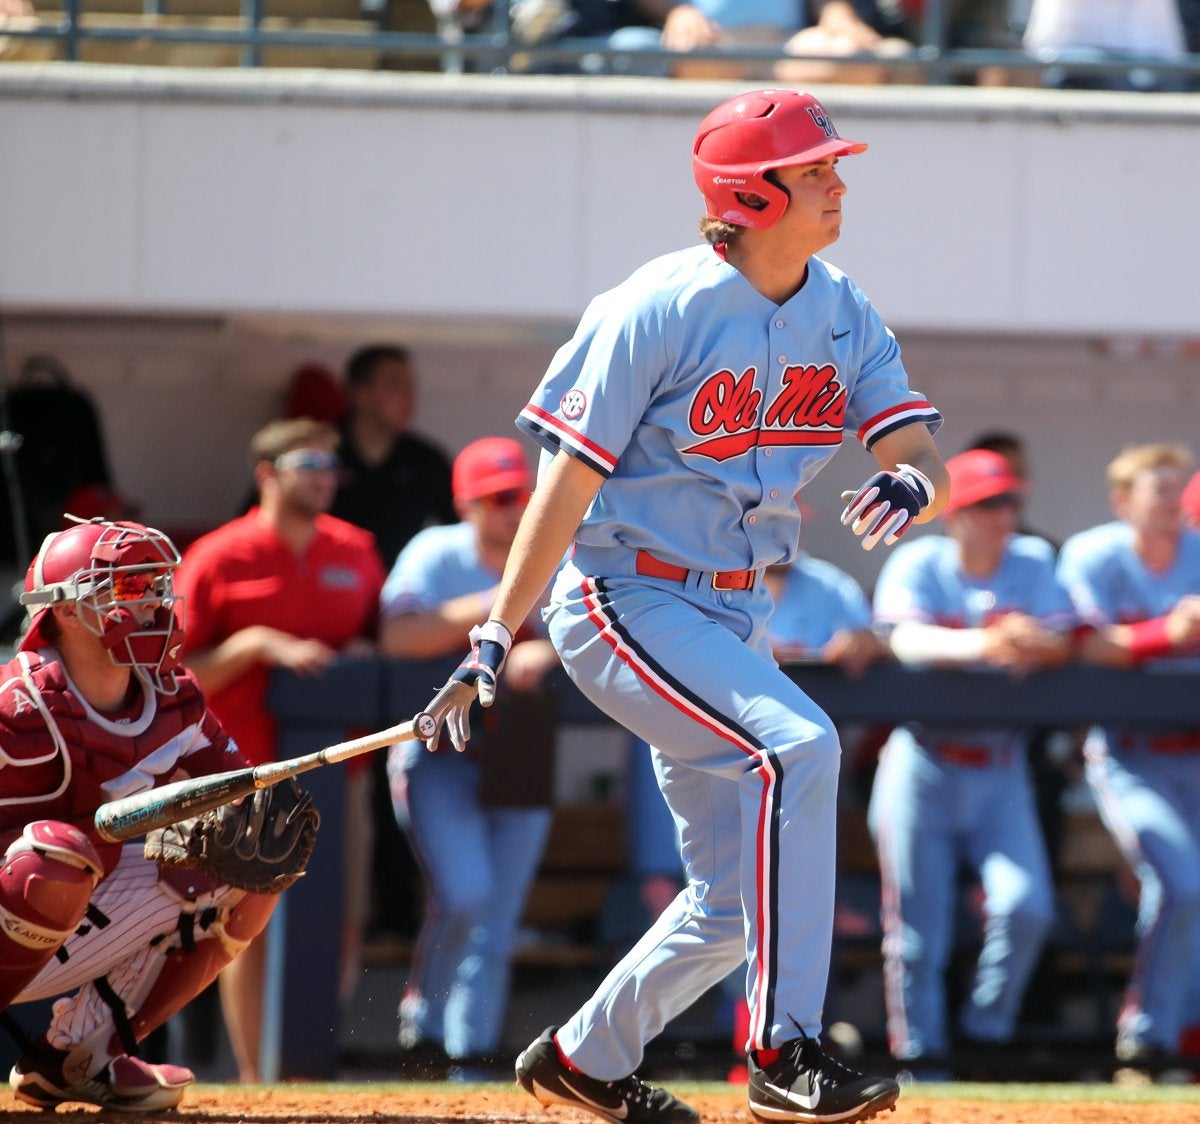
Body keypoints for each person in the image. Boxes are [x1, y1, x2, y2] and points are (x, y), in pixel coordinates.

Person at [419, 88, 948, 1124]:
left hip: (734, 614)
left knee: (727, 905)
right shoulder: (652, 306)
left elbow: (911, 439)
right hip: (627, 595)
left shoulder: (842, 305)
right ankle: (786, 1045)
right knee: (798, 746)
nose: (838, 181)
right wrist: (495, 627)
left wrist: (913, 478)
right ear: (751, 191)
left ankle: (584, 1052)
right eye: (815, 169)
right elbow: (563, 483)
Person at [0, 517, 278, 1111]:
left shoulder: (173, 693)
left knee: (251, 854)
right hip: (19, 895)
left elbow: (236, 803)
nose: (154, 600)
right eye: (130, 587)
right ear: (69, 610)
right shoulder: (18, 708)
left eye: (157, 583)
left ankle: (77, 1059)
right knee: (51, 858)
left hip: (71, 907)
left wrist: (237, 815)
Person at [174, 417, 385, 1082]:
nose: (325, 473)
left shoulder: (356, 549)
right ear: (267, 474)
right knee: (242, 929)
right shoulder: (217, 555)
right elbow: (173, 679)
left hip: (339, 773)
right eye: (308, 461)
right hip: (241, 775)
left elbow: (388, 642)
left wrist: (364, 655)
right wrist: (254, 645)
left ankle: (308, 1067)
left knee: (341, 923)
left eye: (331, 462)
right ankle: (258, 1082)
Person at [867, 448, 1073, 1078]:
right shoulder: (919, 560)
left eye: (1009, 501)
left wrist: (1041, 642)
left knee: (1027, 905)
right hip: (923, 757)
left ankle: (984, 1034)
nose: (1002, 515)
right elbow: (904, 640)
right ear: (954, 513)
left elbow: (1065, 635)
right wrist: (989, 642)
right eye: (987, 504)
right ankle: (920, 1056)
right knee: (917, 928)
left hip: (1000, 760)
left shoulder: (1034, 561)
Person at [379, 436, 562, 1081]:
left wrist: (553, 647)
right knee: (465, 893)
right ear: (467, 503)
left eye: (526, 495)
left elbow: (603, 628)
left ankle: (471, 1054)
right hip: (438, 753)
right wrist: (506, 616)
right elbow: (397, 635)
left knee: (499, 912)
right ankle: (425, 1023)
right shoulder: (435, 553)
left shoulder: (553, 550)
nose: (517, 509)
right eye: (501, 497)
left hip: (518, 753)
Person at [1057, 443, 1200, 1072]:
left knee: (1186, 892)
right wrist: (1162, 634)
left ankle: (1173, 1038)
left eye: (1180, 489)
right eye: (1159, 490)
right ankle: (1146, 1032)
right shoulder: (1094, 552)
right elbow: (1082, 643)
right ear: (1124, 501)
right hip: (1130, 752)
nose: (1174, 502)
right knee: (1181, 882)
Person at [330, 344, 456, 571]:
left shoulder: (427, 460)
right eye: (394, 385)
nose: (408, 396)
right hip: (333, 594)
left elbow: (463, 531)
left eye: (410, 385)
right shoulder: (323, 454)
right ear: (359, 393)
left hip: (403, 598)